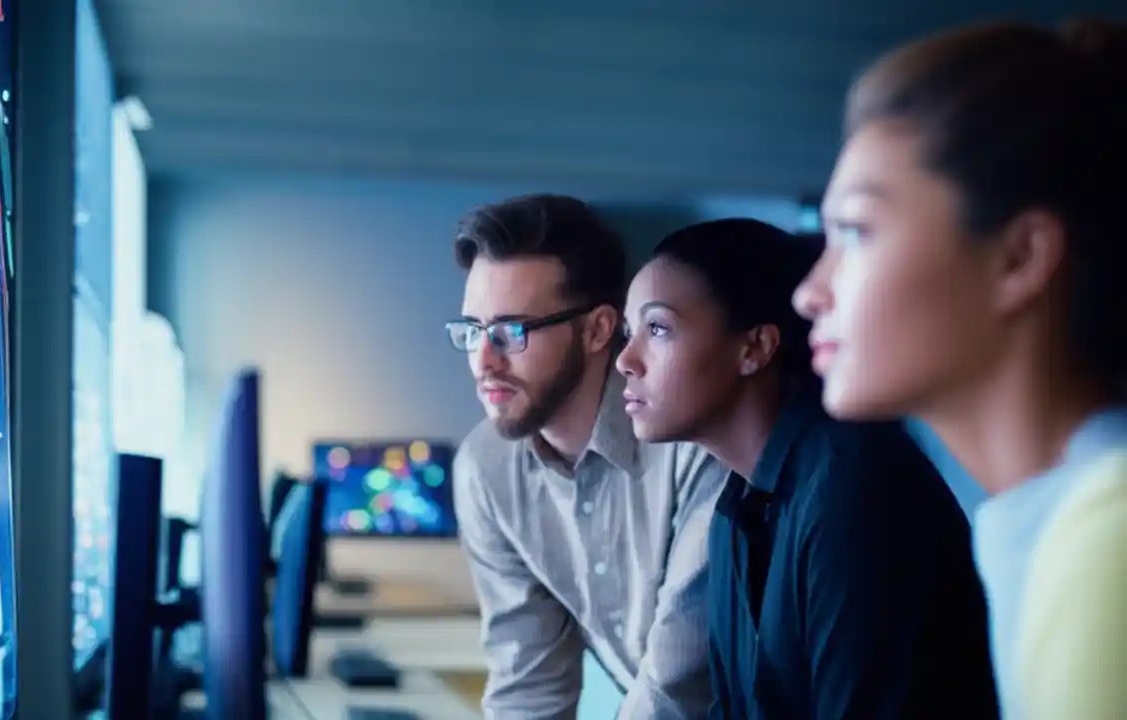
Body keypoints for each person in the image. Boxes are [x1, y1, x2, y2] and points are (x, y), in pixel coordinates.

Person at [792, 19, 1127, 719]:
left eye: (856, 230)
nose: (810, 291)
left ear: (1019, 257)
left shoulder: (1109, 540)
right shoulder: (1047, 520)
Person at [617, 219, 997, 718]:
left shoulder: (854, 488)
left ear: (754, 348)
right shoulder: (736, 510)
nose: (626, 359)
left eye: (658, 329)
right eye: (630, 332)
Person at [447, 194, 727, 719]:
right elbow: (528, 686)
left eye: (511, 332)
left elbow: (677, 686)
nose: (484, 360)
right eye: (473, 332)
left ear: (598, 329)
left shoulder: (689, 443)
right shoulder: (487, 467)